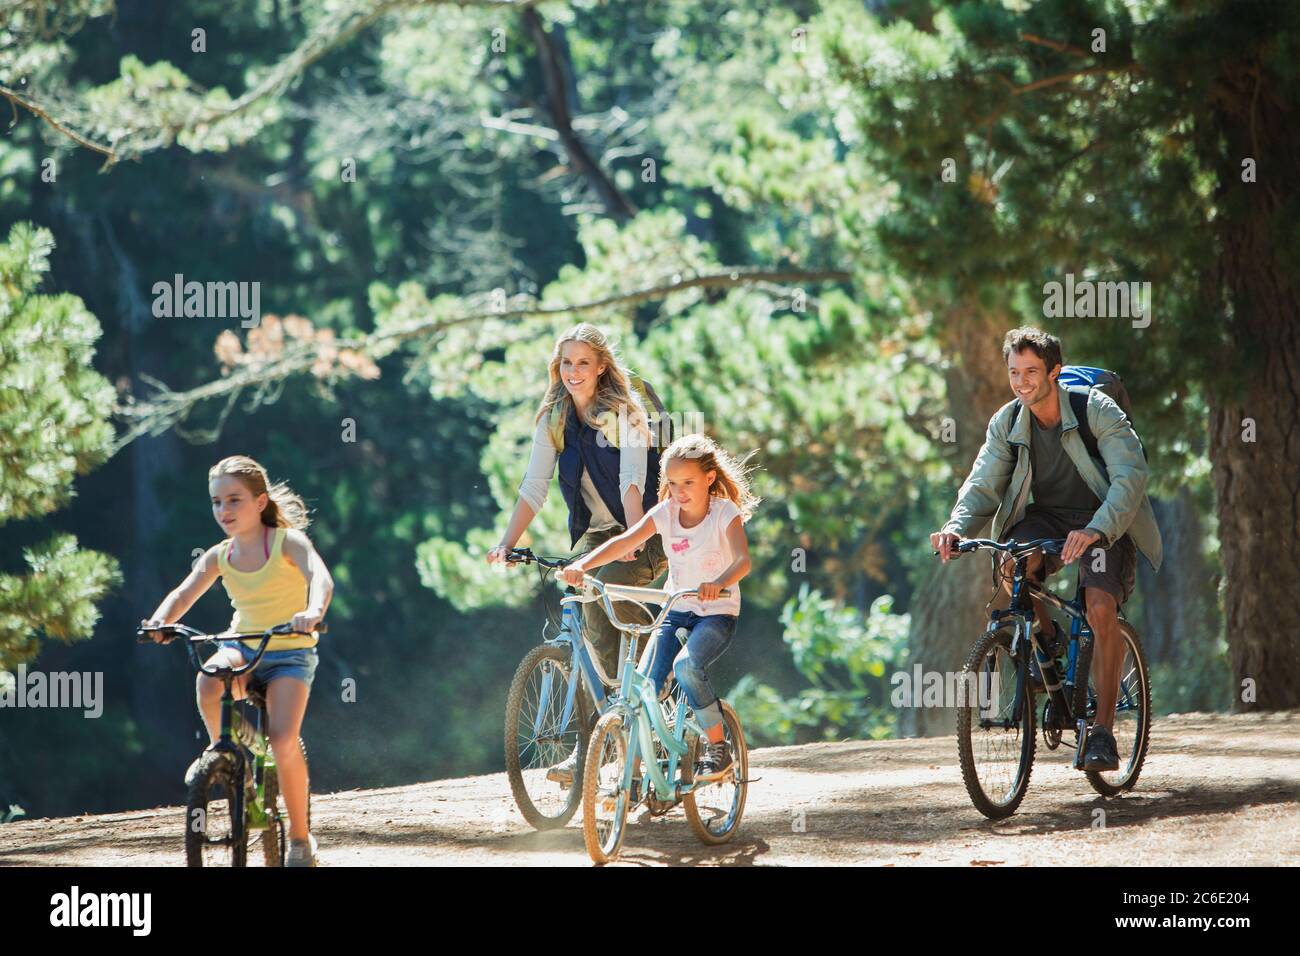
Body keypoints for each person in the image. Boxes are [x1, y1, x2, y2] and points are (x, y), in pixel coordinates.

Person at [930, 327, 1161, 771]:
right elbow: (983, 484)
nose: (1021, 382)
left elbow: (1130, 478)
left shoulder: (1096, 410)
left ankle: (1103, 734)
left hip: (1104, 518)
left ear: (1054, 371)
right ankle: (1045, 646)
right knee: (1012, 564)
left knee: (1098, 608)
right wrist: (954, 528)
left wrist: (1096, 530)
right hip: (1050, 516)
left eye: (1031, 371)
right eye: (1014, 372)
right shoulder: (1008, 421)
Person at [142, 455, 333, 866]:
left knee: (283, 741)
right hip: (243, 646)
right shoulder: (219, 555)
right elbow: (184, 593)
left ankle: (300, 840)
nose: (224, 511)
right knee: (209, 680)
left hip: (289, 653)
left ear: (260, 502)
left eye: (234, 500)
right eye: (216, 503)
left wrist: (313, 611)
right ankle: (228, 757)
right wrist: (161, 621)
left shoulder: (287, 542)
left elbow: (320, 576)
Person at [563, 433, 757, 775]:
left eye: (688, 482)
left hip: (716, 614)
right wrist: (583, 565)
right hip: (676, 611)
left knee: (686, 668)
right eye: (672, 483)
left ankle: (717, 747)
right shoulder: (666, 512)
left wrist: (719, 583)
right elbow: (626, 539)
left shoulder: (723, 512)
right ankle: (633, 775)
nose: (679, 491)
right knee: (643, 688)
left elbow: (743, 561)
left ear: (709, 479)